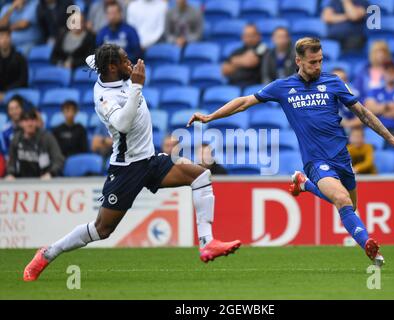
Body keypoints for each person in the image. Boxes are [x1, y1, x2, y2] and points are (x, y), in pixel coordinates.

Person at [23, 44, 241, 282]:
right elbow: (123, 124)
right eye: (125, 60)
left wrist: (121, 74)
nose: (131, 63)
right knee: (101, 229)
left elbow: (93, 59)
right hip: (126, 168)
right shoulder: (105, 96)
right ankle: (47, 253)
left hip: (149, 159)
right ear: (112, 68)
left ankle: (207, 243)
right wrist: (136, 86)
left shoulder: (112, 70)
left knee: (200, 175)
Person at [188, 37, 394, 266]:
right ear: (298, 61)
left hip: (341, 158)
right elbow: (244, 102)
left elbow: (363, 113)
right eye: (313, 62)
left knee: (349, 206)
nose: (318, 66)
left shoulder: (334, 82)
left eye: (320, 61)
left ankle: (304, 184)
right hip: (316, 160)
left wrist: (391, 138)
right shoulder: (283, 87)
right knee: (342, 199)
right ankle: (370, 248)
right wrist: (210, 116)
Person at [5, 108, 64, 180]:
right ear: (21, 123)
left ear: (36, 122)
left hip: (44, 179)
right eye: (26, 121)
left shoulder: (47, 137)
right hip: (20, 181)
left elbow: (58, 160)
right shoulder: (16, 139)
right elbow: (11, 161)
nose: (30, 124)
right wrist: (10, 173)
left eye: (32, 120)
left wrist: (51, 173)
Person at [364, 61, 394, 137]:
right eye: (388, 72)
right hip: (377, 129)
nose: (390, 75)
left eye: (393, 72)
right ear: (383, 73)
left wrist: (380, 113)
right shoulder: (375, 89)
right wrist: (387, 106)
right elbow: (368, 110)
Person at [0, 26, 28, 103]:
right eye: (1, 37)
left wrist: (6, 92)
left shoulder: (20, 58)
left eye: (7, 36)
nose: (4, 40)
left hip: (16, 93)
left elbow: (23, 80)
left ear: (10, 38)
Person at [332, 67, 362, 131]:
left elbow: (364, 116)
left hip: (354, 130)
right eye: (335, 80)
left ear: (347, 81)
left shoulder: (355, 95)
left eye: (343, 79)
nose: (339, 83)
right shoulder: (324, 97)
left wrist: (347, 125)